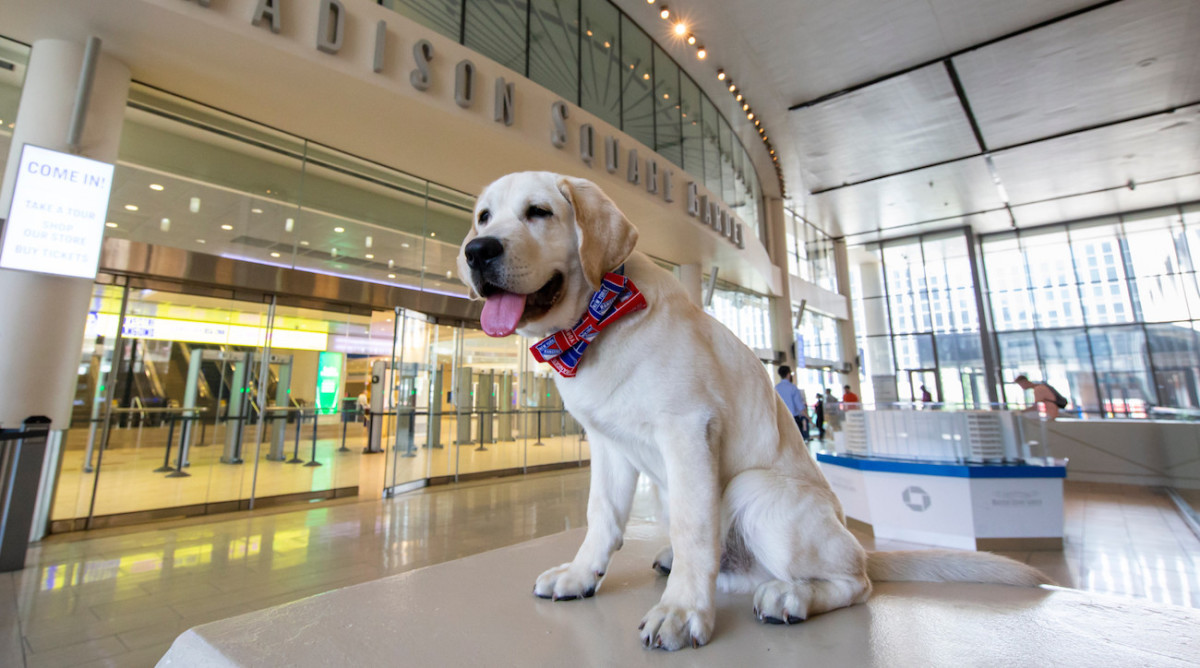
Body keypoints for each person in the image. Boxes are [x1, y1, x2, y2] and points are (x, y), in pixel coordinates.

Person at [774, 365, 810, 440]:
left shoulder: (776, 388)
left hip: (780, 420)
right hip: (793, 420)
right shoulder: (793, 388)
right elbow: (800, 406)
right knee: (796, 442)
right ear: (788, 374)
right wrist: (808, 418)